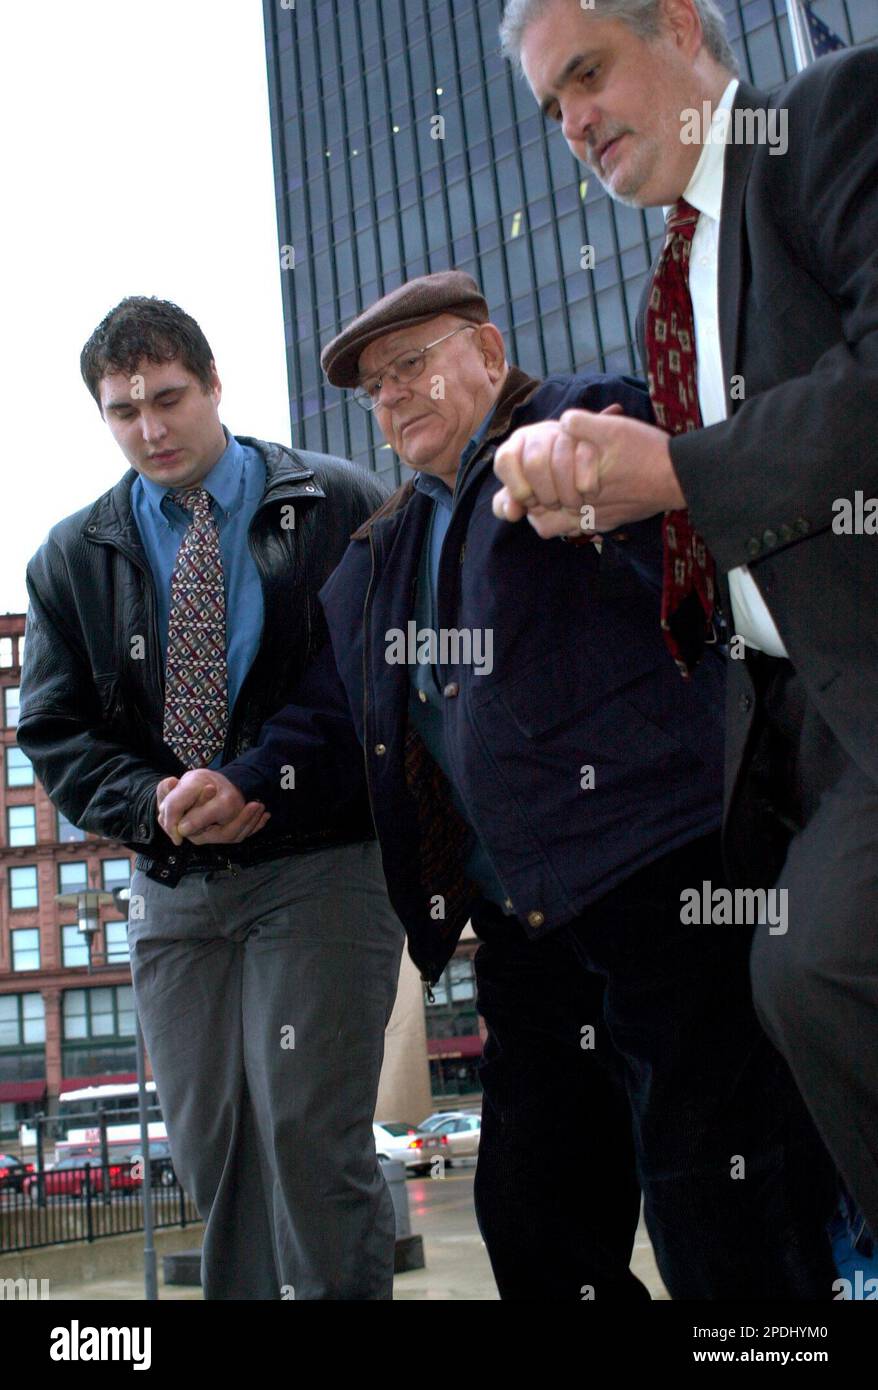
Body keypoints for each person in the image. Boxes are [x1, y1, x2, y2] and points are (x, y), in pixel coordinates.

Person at [159, 270, 837, 1300]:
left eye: (412, 364)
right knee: (532, 1204)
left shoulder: (571, 424)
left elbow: (668, 502)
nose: (393, 397)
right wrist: (244, 780)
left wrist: (593, 469)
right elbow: (335, 720)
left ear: (486, 350)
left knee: (711, 1174)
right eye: (373, 389)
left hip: (661, 870)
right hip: (520, 914)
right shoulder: (373, 556)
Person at [496, 0, 878, 1244]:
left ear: (676, 23)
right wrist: (609, 504)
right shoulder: (681, 267)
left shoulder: (825, 114)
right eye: (553, 108)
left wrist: (672, 474)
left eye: (588, 75)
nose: (574, 125)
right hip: (785, 747)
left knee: (813, 966)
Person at [17, 296, 404, 1300]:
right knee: (212, 1145)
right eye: (123, 409)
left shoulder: (333, 502)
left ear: (214, 383)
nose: (150, 428)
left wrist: (250, 777)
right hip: (172, 882)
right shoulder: (70, 557)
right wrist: (152, 802)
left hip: (317, 862)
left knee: (306, 1133)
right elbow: (54, 730)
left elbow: (364, 683)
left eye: (168, 399)